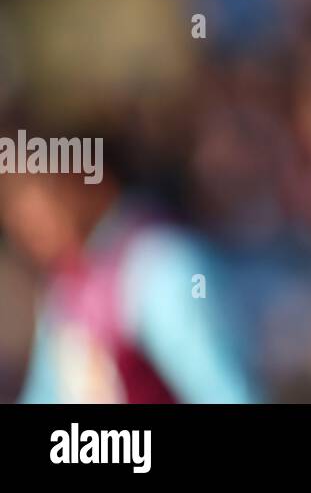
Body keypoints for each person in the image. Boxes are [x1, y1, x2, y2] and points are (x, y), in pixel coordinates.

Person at [2, 130, 259, 403]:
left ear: (88, 180)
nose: (28, 223)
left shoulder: (163, 262)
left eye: (39, 199)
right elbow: (49, 393)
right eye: (17, 211)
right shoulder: (65, 284)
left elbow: (221, 390)